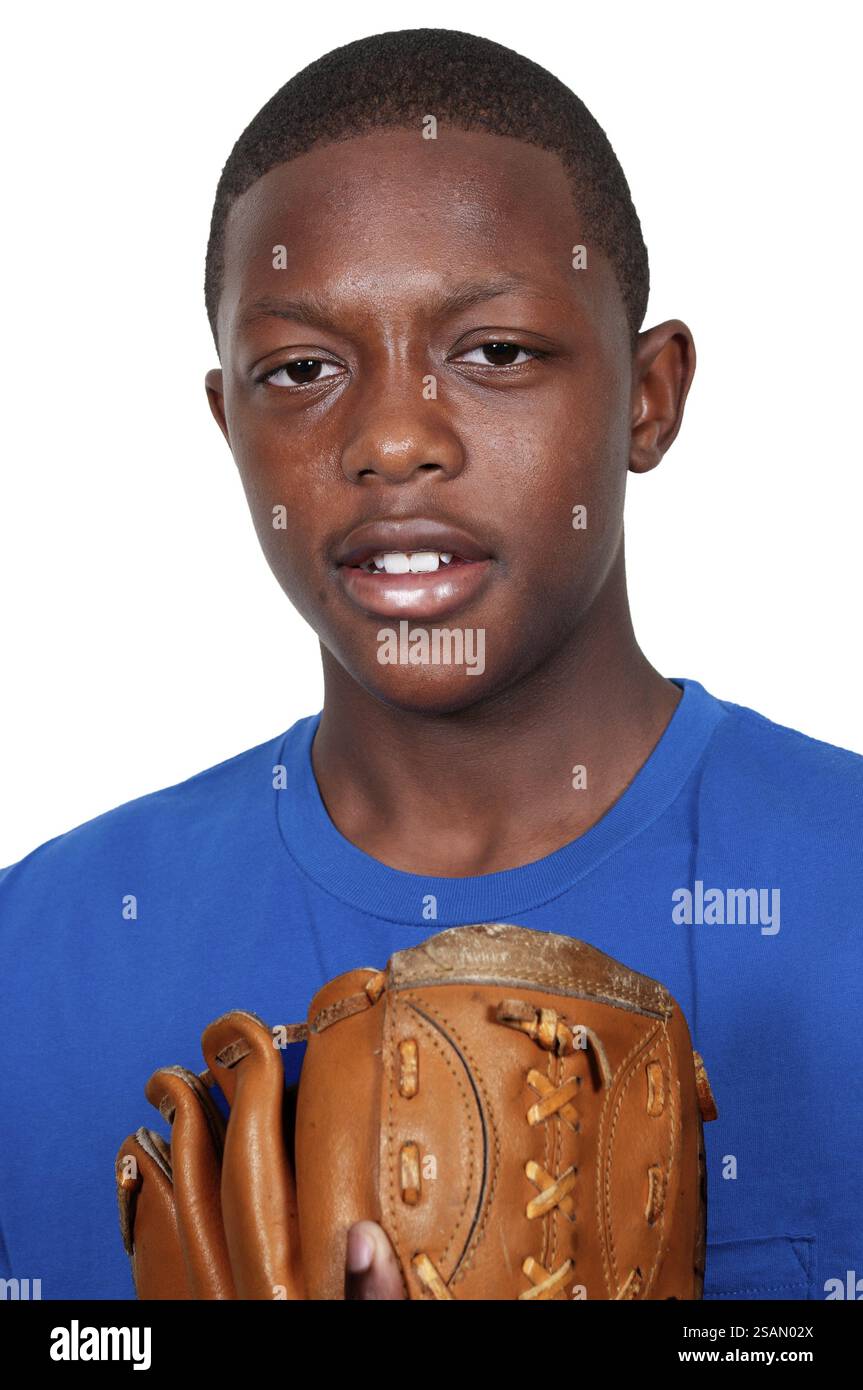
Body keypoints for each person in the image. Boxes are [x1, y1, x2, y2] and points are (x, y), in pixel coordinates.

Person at [1, 27, 860, 1302]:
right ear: (228, 421)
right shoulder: (36, 960)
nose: (392, 438)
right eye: (301, 369)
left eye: (494, 352)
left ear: (647, 394)